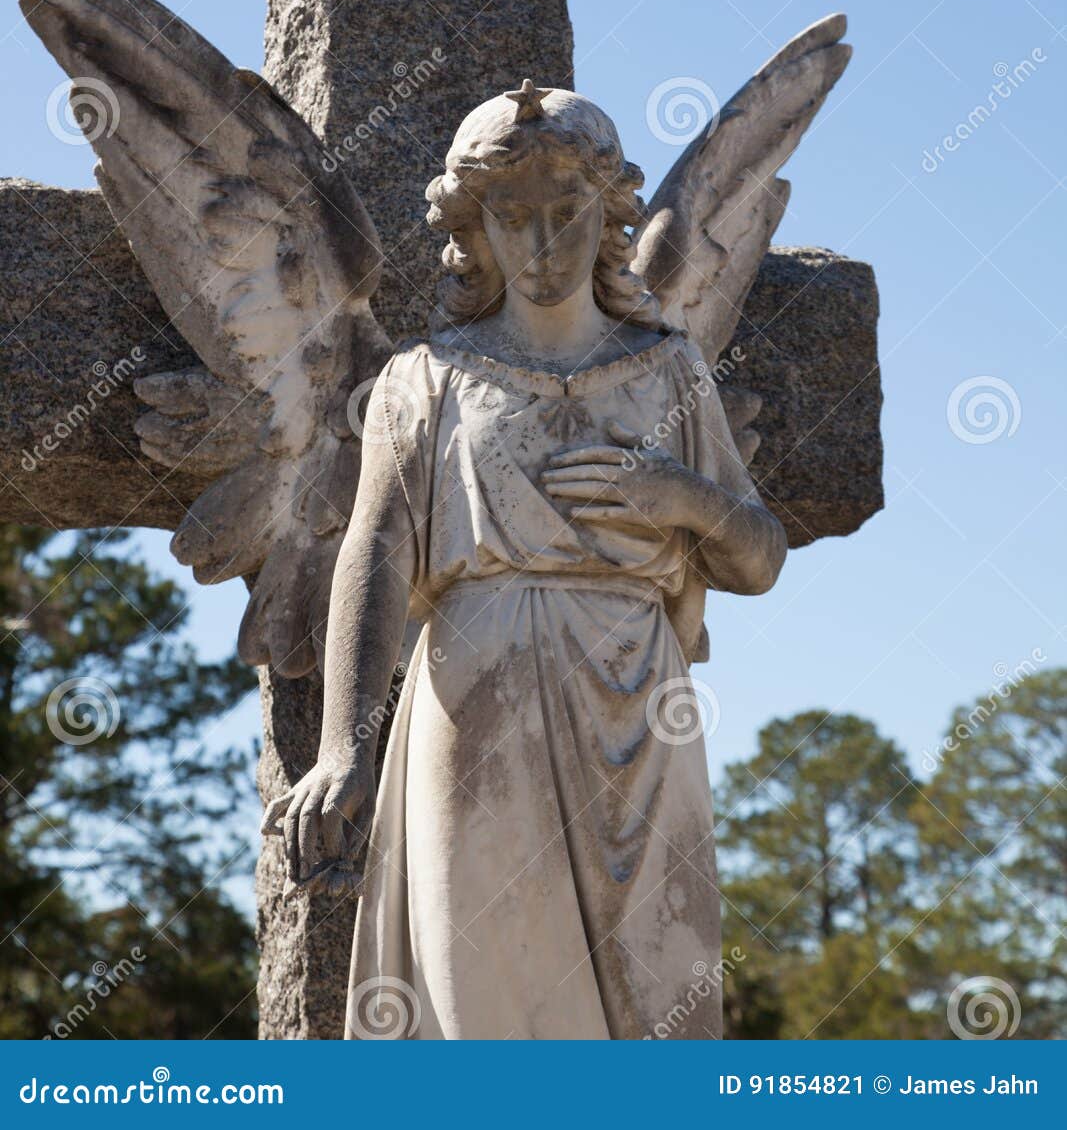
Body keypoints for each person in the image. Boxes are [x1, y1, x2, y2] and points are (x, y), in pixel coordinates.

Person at [266, 81, 787, 1040]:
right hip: (477, 695)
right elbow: (374, 556)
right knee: (485, 985)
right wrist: (345, 745)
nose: (541, 246)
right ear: (474, 228)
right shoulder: (422, 381)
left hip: (640, 705)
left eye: (566, 214)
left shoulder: (669, 372)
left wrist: (689, 500)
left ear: (609, 216)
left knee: (658, 995)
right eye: (512, 218)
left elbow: (757, 560)